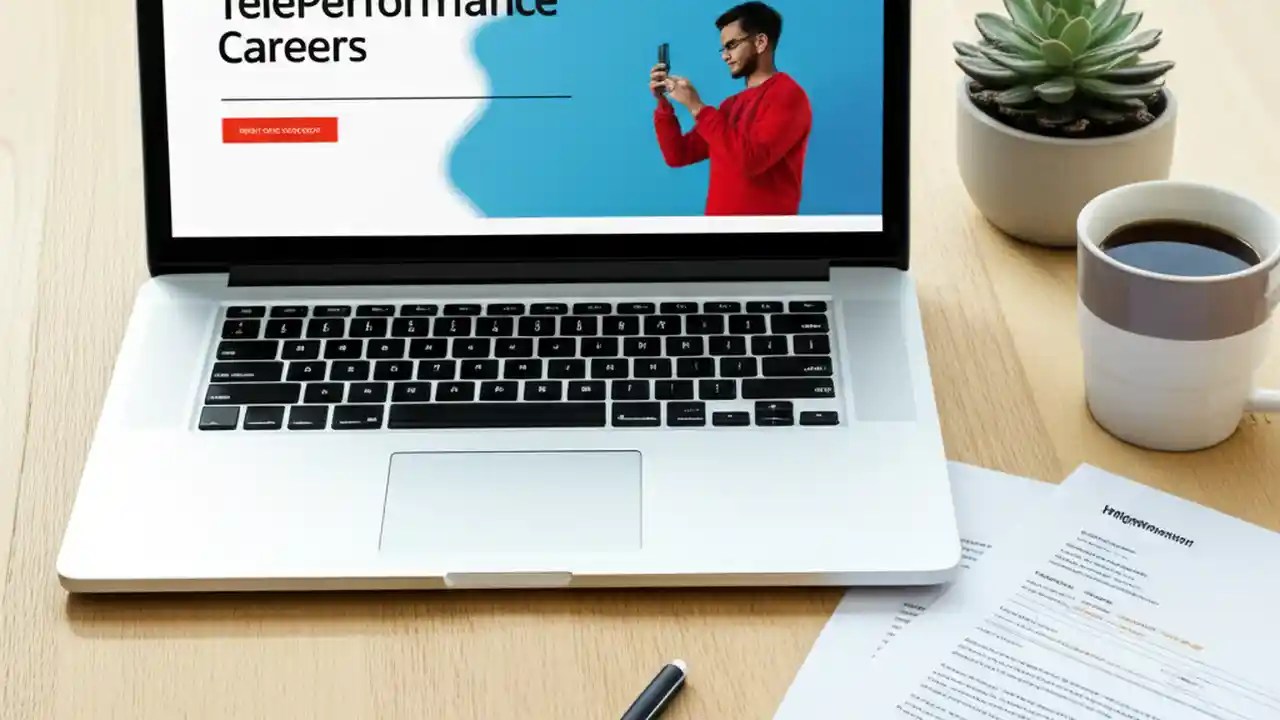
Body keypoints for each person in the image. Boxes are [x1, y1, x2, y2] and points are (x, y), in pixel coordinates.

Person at [651, 2, 812, 216]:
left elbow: (750, 161)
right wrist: (663, 103)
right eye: (723, 48)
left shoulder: (789, 95)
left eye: (732, 45)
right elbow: (677, 154)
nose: (724, 56)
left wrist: (697, 108)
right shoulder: (730, 106)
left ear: (760, 42)